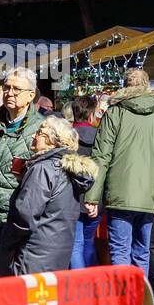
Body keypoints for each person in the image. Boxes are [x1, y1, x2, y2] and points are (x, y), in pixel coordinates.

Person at [82, 67, 154, 278]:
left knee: (120, 252)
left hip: (120, 193)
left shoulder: (115, 113)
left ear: (125, 86)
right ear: (147, 86)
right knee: (142, 252)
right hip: (151, 195)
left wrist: (92, 196)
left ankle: (125, 304)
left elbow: (101, 156)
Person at [0, 117, 98, 276]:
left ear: (53, 141)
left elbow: (25, 215)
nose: (33, 136)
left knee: (25, 299)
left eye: (39, 133)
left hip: (32, 255)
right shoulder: (66, 170)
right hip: (57, 254)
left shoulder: (43, 169)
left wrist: (7, 244)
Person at [0, 67, 44, 261]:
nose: (9, 93)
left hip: (16, 220)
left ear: (31, 95)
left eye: (16, 89)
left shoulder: (41, 129)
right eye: (6, 87)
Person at [69, 94, 100, 269]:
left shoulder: (67, 137)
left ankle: (82, 288)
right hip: (96, 196)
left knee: (76, 244)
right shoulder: (100, 136)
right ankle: (93, 282)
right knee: (88, 241)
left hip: (73, 197)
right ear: (91, 115)